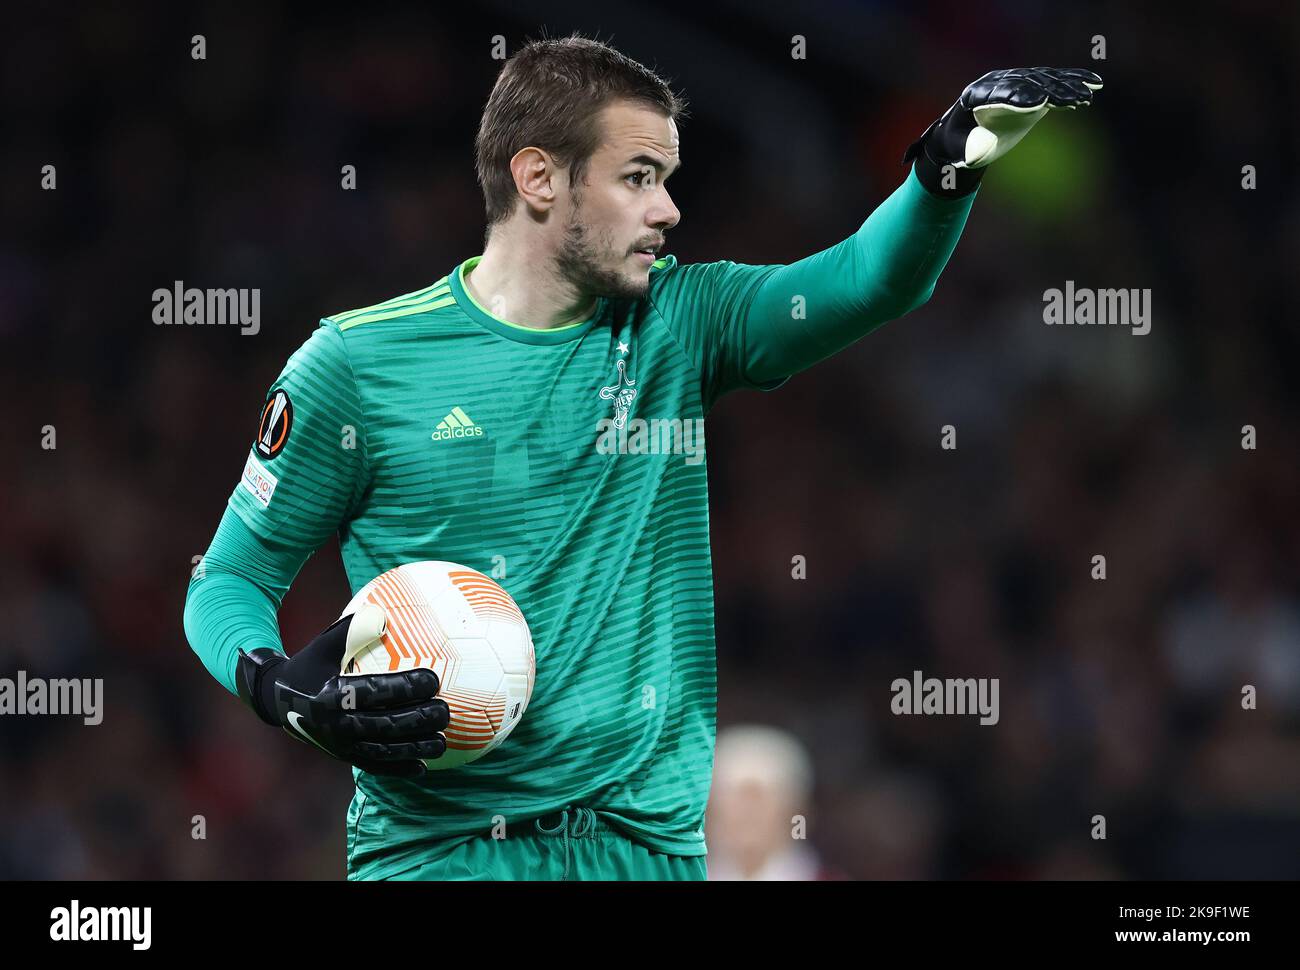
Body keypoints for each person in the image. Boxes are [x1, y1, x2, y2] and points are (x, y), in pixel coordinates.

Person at [183, 36, 1101, 880]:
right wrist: (277, 686)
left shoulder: (683, 321)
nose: (668, 208)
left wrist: (941, 172)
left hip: (646, 855)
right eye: (638, 177)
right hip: (440, 856)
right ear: (539, 177)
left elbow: (867, 280)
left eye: (667, 178)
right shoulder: (358, 365)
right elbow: (228, 579)